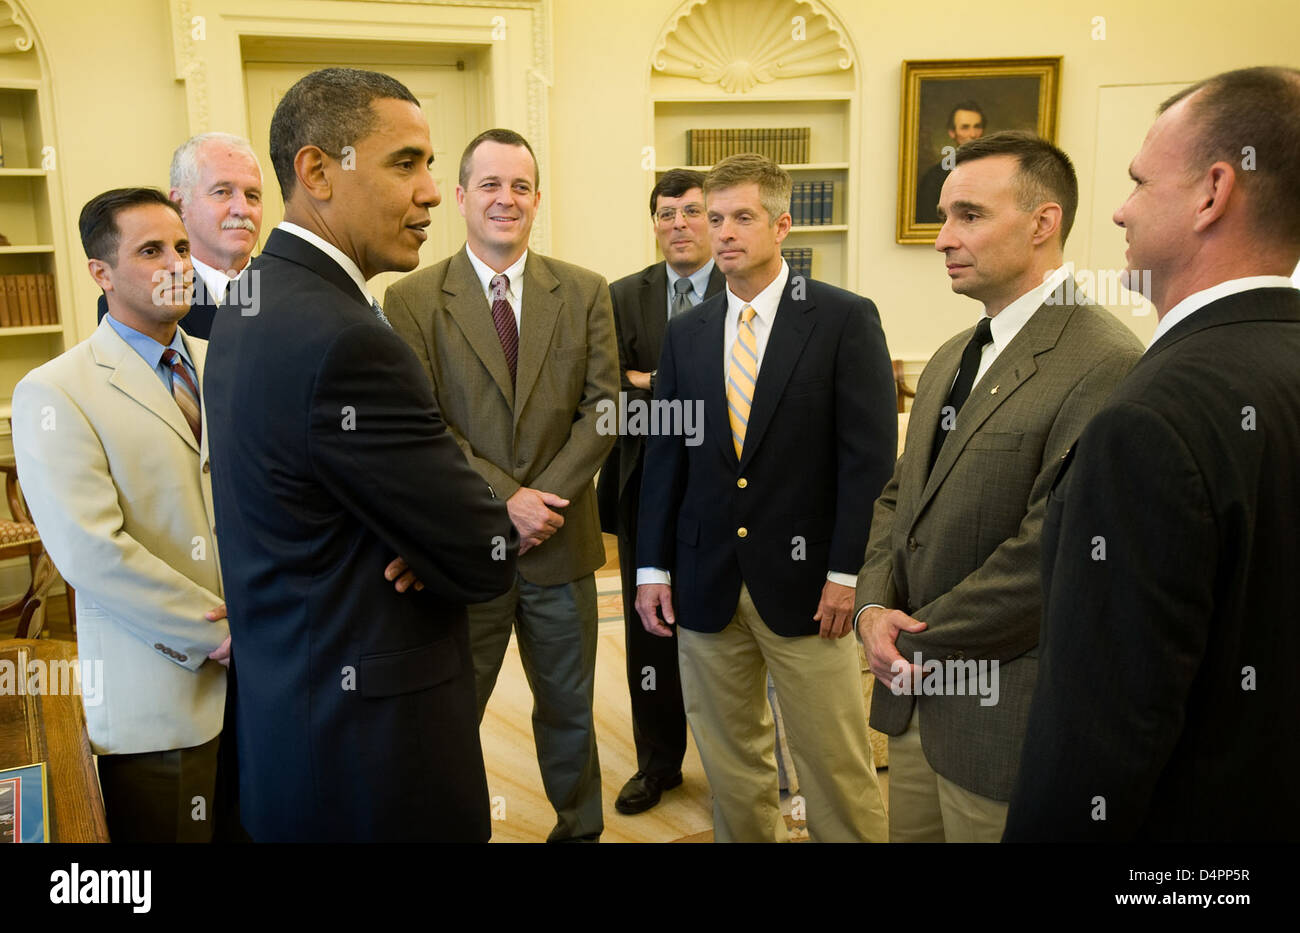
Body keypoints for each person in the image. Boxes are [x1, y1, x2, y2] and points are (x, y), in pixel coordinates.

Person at [202, 68, 518, 842]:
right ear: (318, 171)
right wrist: (435, 533)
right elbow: (485, 547)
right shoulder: (345, 337)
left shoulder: (251, 300)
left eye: (431, 164)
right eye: (405, 163)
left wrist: (419, 528)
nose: (435, 192)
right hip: (372, 772)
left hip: (295, 737)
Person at [1005, 67, 1300, 842]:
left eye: (1139, 180)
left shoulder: (1150, 417)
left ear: (1212, 192)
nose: (1118, 208)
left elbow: (1096, 740)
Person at [856, 131, 1143, 843]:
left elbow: (1051, 551)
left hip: (1000, 718)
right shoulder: (955, 353)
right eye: (943, 215)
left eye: (969, 216)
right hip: (912, 699)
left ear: (1042, 223)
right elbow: (899, 500)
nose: (942, 237)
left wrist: (909, 639)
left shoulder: (1105, 361)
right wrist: (869, 606)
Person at [635, 153, 895, 842]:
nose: (721, 232)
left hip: (811, 589)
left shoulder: (843, 319)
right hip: (704, 582)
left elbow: (868, 463)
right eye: (711, 217)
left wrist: (847, 573)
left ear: (783, 224)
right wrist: (653, 568)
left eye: (740, 217)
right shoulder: (686, 332)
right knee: (733, 767)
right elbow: (665, 458)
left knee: (835, 764)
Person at [385, 128, 618, 842]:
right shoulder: (411, 299)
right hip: (465, 551)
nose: (505, 199)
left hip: (561, 543)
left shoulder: (583, 291)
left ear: (537, 199)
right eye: (489, 184)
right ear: (460, 197)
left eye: (519, 185)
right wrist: (505, 500)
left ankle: (580, 830)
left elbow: (604, 407)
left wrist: (542, 500)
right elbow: (421, 425)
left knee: (570, 711)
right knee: (455, 710)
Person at [13, 188, 229, 842]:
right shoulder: (55, 390)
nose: (177, 264)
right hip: (159, 692)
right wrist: (217, 633)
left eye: (184, 248)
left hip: (262, 680)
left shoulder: (223, 363)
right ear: (100, 272)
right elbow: (91, 551)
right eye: (151, 250)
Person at [598, 168, 725, 815]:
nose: (678, 223)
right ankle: (659, 764)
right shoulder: (621, 296)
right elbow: (605, 399)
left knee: (725, 630)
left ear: (713, 219)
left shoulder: (744, 288)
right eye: (665, 212)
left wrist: (652, 381)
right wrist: (657, 390)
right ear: (653, 223)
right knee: (650, 631)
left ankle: (734, 765)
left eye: (691, 211)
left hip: (724, 496)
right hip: (643, 490)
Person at [96, 133, 263, 338]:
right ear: (179, 203)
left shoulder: (290, 287)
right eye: (222, 192)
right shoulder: (139, 299)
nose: (242, 209)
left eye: (252, 196)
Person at [916, 101, 985, 224]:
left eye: (977, 127)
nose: (973, 134)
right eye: (965, 127)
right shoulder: (934, 177)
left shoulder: (994, 171)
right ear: (952, 133)